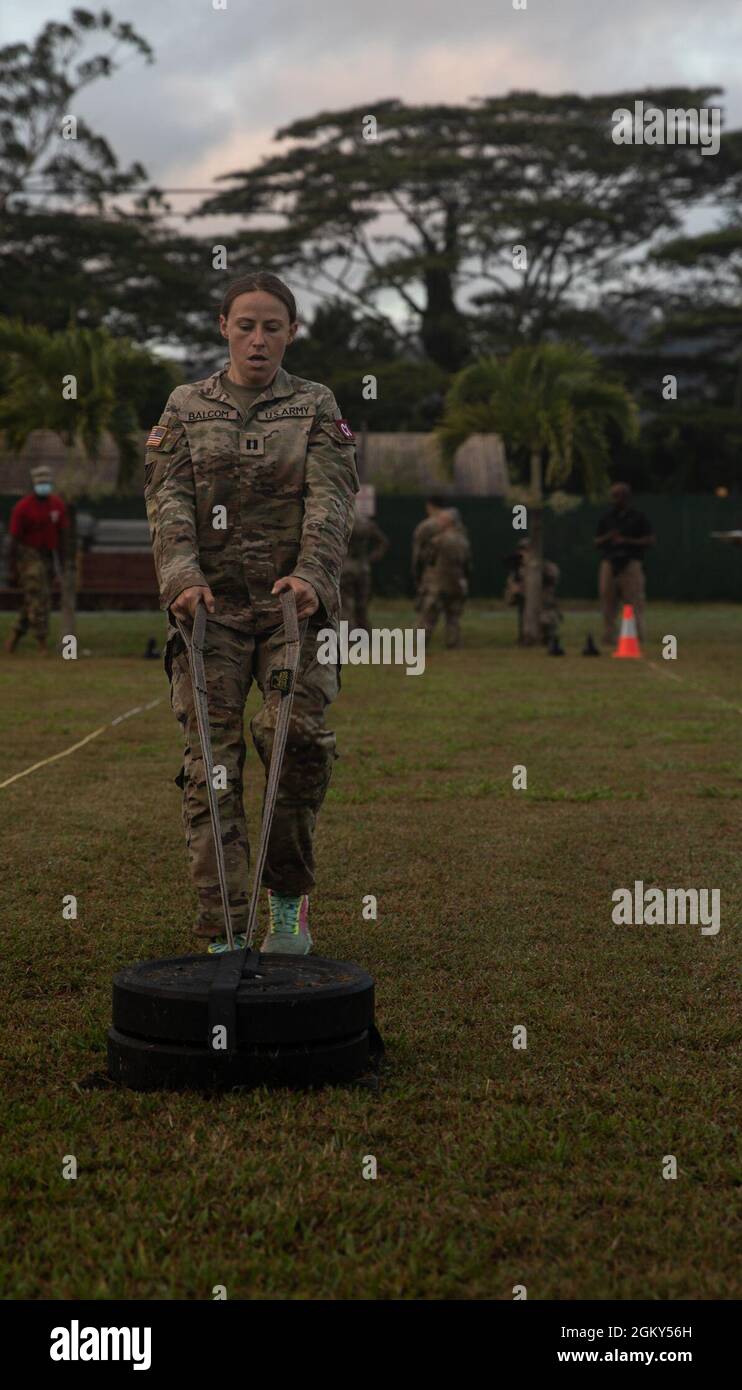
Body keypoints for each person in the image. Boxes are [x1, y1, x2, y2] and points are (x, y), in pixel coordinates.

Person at [144, 271, 359, 956]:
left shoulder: (316, 406)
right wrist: (180, 578)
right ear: (223, 327)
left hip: (292, 611)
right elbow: (168, 499)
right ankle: (225, 927)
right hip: (209, 615)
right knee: (212, 765)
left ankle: (287, 905)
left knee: (296, 741)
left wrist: (312, 577)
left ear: (292, 332)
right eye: (246, 325)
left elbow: (332, 502)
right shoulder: (186, 406)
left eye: (273, 326)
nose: (258, 339)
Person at [4, 465, 68, 655]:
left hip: (47, 556)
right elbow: (14, 540)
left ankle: (14, 637)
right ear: (34, 485)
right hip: (28, 555)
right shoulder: (22, 507)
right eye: (40, 483)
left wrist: (62, 564)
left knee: (34, 598)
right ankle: (41, 642)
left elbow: (62, 535)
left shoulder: (57, 505)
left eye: (46, 483)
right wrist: (12, 568)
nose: (43, 487)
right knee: (40, 597)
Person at [595, 482, 654, 646]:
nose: (613, 500)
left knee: (634, 601)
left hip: (631, 562)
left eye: (617, 496)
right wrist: (609, 537)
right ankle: (609, 636)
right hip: (609, 562)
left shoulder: (638, 517)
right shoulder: (606, 517)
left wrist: (627, 541)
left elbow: (649, 539)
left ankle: (636, 636)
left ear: (626, 497)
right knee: (607, 601)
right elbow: (596, 541)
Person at [418, 508, 472, 648]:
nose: (438, 522)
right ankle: (453, 643)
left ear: (448, 522)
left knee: (429, 616)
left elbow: (428, 559)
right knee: (453, 617)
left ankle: (421, 644)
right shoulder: (463, 541)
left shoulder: (438, 540)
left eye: (441, 519)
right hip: (457, 583)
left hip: (439, 583)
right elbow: (467, 564)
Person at [340, 502, 389, 632]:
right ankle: (365, 634)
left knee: (346, 604)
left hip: (346, 567)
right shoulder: (367, 524)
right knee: (362, 605)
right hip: (363, 567)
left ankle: (350, 636)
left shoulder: (342, 523)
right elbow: (383, 543)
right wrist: (371, 558)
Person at [503, 538, 561, 645]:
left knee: (545, 621)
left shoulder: (546, 567)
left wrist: (534, 566)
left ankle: (547, 637)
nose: (524, 553)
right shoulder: (517, 573)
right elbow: (509, 602)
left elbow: (553, 576)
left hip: (545, 612)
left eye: (527, 550)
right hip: (527, 618)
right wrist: (515, 591)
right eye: (522, 550)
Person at [411, 495, 446, 612]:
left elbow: (417, 555)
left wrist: (417, 575)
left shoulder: (426, 526)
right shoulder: (451, 525)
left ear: (429, 506)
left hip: (430, 573)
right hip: (450, 572)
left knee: (425, 614)